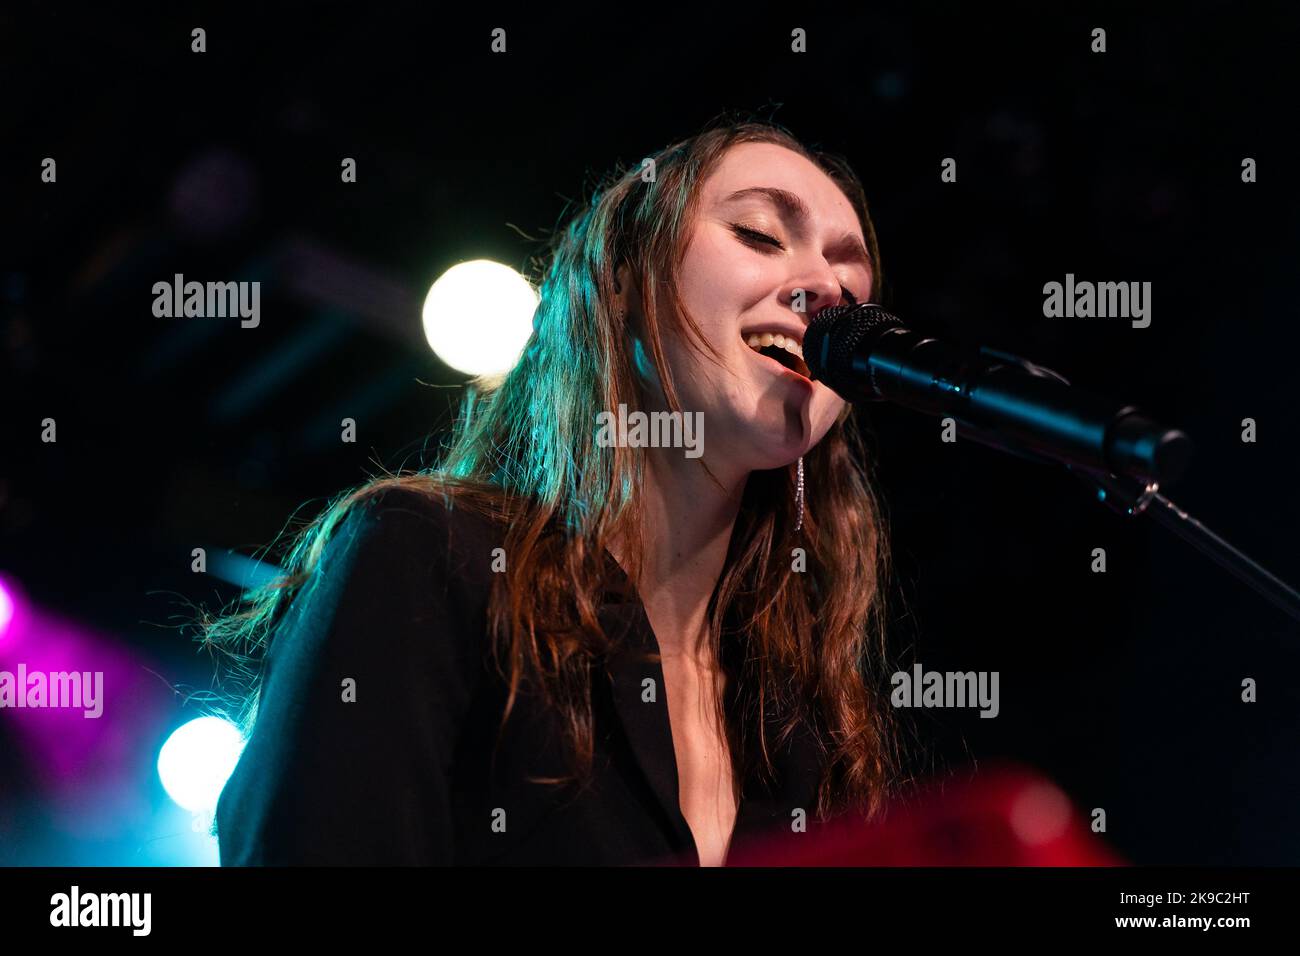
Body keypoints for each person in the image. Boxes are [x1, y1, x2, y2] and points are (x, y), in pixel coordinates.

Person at [206, 116, 903, 866]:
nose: (825, 288)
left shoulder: (808, 734)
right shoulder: (425, 557)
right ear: (624, 278)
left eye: (850, 284)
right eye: (759, 234)